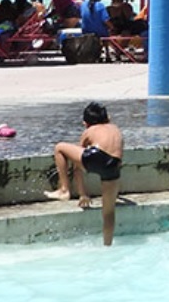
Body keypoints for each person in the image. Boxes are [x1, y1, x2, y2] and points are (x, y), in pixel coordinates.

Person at [45, 101, 123, 245]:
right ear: (108, 118)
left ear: (85, 123)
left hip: (95, 157)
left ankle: (64, 190)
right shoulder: (115, 129)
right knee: (109, 212)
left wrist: (83, 193)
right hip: (113, 165)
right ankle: (107, 245)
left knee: (60, 148)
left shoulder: (89, 131)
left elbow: (77, 166)